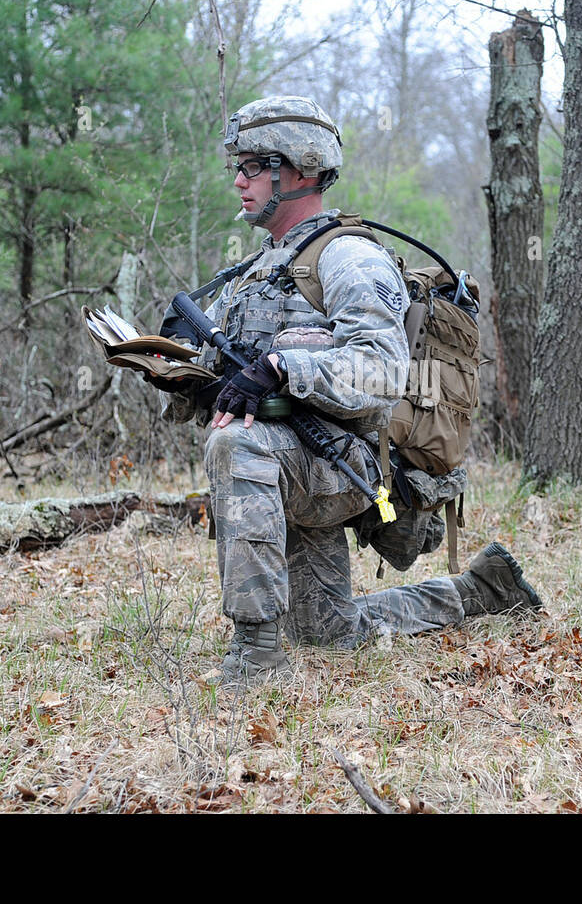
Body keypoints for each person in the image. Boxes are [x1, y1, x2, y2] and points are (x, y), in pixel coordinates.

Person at [159, 95, 540, 685]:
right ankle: (480, 591)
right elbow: (222, 383)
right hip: (296, 466)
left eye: (255, 165)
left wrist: (283, 369)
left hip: (345, 465)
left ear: (301, 169)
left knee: (237, 446)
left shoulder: (349, 258)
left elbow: (381, 372)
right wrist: (174, 368)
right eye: (239, 166)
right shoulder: (259, 269)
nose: (239, 179)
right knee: (330, 635)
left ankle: (257, 656)